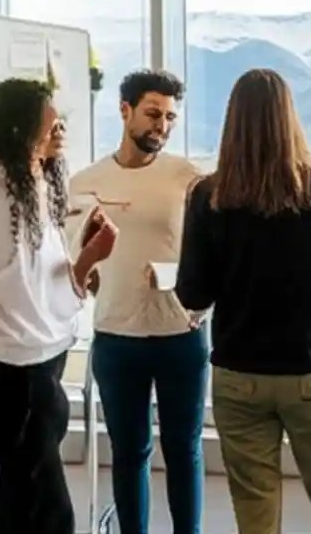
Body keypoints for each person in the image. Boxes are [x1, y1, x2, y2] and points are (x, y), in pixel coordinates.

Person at [175, 69, 311, 534]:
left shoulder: (208, 195)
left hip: (239, 375)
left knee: (254, 505)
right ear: (290, 118)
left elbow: (192, 293)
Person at [0, 78, 117, 534]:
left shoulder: (29, 186)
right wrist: (89, 259)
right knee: (46, 507)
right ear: (21, 131)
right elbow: (25, 302)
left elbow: (41, 278)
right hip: (21, 369)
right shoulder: (7, 193)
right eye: (50, 124)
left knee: (22, 492)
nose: (60, 128)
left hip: (33, 364)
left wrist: (82, 256)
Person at [69, 70, 206, 534]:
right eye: (152, 114)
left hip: (180, 336)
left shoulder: (188, 179)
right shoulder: (85, 182)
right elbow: (72, 261)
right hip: (115, 335)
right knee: (128, 453)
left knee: (184, 451)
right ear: (124, 110)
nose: (162, 126)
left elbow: (209, 254)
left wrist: (182, 286)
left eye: (170, 117)